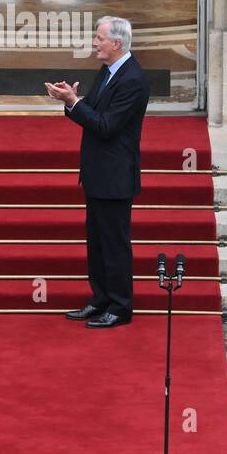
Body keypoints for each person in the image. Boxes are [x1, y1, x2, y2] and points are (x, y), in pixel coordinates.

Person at [46, 16, 150, 329]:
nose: (94, 43)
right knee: (96, 242)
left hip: (115, 176)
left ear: (116, 44)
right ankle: (100, 299)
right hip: (97, 173)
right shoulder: (108, 70)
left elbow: (105, 126)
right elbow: (93, 110)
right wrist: (71, 100)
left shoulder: (132, 79)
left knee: (114, 244)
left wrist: (75, 102)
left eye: (99, 38)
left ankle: (120, 306)